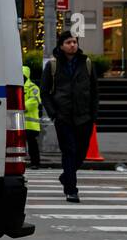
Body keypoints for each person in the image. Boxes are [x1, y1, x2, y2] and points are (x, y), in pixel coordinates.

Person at [40, 31, 99, 202]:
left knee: (80, 153)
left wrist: (93, 114)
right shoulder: (53, 65)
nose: (72, 45)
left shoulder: (86, 63)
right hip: (63, 117)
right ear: (61, 45)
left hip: (84, 117)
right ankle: (71, 190)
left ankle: (67, 176)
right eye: (68, 42)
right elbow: (44, 93)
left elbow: (95, 90)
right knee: (69, 152)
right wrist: (54, 114)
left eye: (74, 42)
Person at [22, 65, 42, 168]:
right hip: (20, 122)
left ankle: (35, 162)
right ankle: (26, 162)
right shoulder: (19, 86)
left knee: (32, 144)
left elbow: (34, 102)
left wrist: (21, 106)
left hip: (30, 124)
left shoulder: (33, 87)